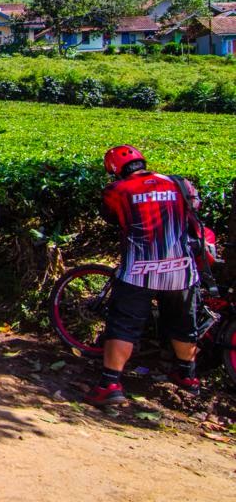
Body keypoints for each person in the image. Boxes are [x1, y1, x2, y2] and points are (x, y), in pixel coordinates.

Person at [85, 145, 202, 406]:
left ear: (114, 170)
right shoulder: (179, 184)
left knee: (123, 326)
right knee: (184, 324)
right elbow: (195, 207)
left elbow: (110, 217)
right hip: (181, 269)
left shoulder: (117, 191)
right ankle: (188, 376)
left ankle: (110, 384)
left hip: (138, 270)